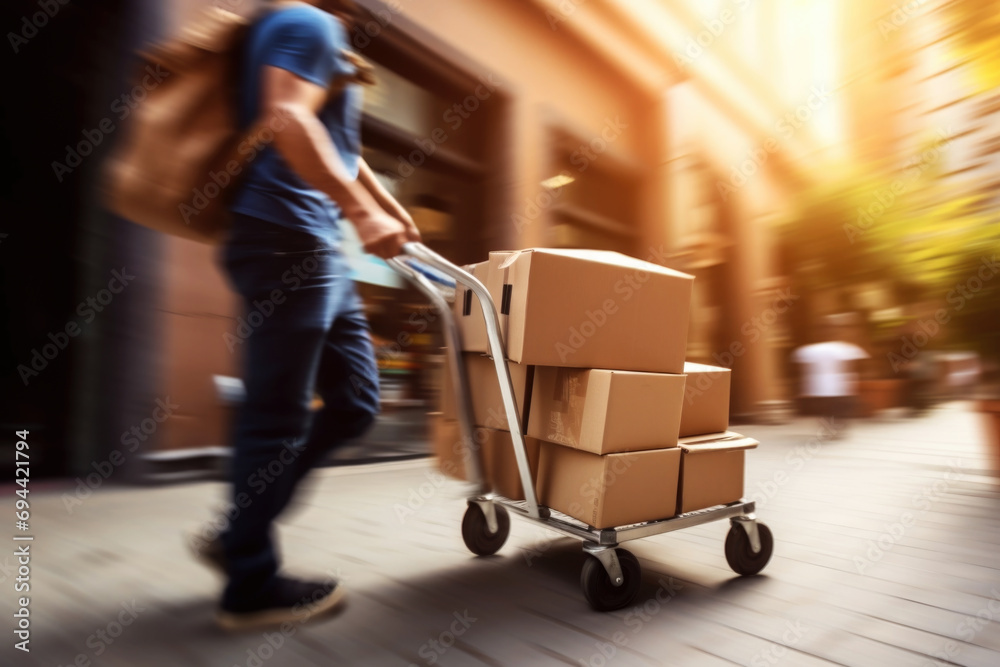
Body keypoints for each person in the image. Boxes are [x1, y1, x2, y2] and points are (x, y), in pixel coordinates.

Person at [192, 0, 420, 630]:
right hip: (285, 236)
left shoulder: (319, 35)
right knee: (277, 412)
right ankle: (250, 580)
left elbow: (335, 137)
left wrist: (383, 205)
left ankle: (241, 527)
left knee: (354, 400)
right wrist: (361, 212)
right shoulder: (307, 23)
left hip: (314, 244)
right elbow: (287, 116)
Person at [791, 332, 869, 438]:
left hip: (818, 387)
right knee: (840, 408)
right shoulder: (843, 348)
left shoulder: (810, 350)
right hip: (840, 385)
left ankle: (828, 428)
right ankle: (838, 428)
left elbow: (799, 365)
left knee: (824, 409)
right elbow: (858, 363)